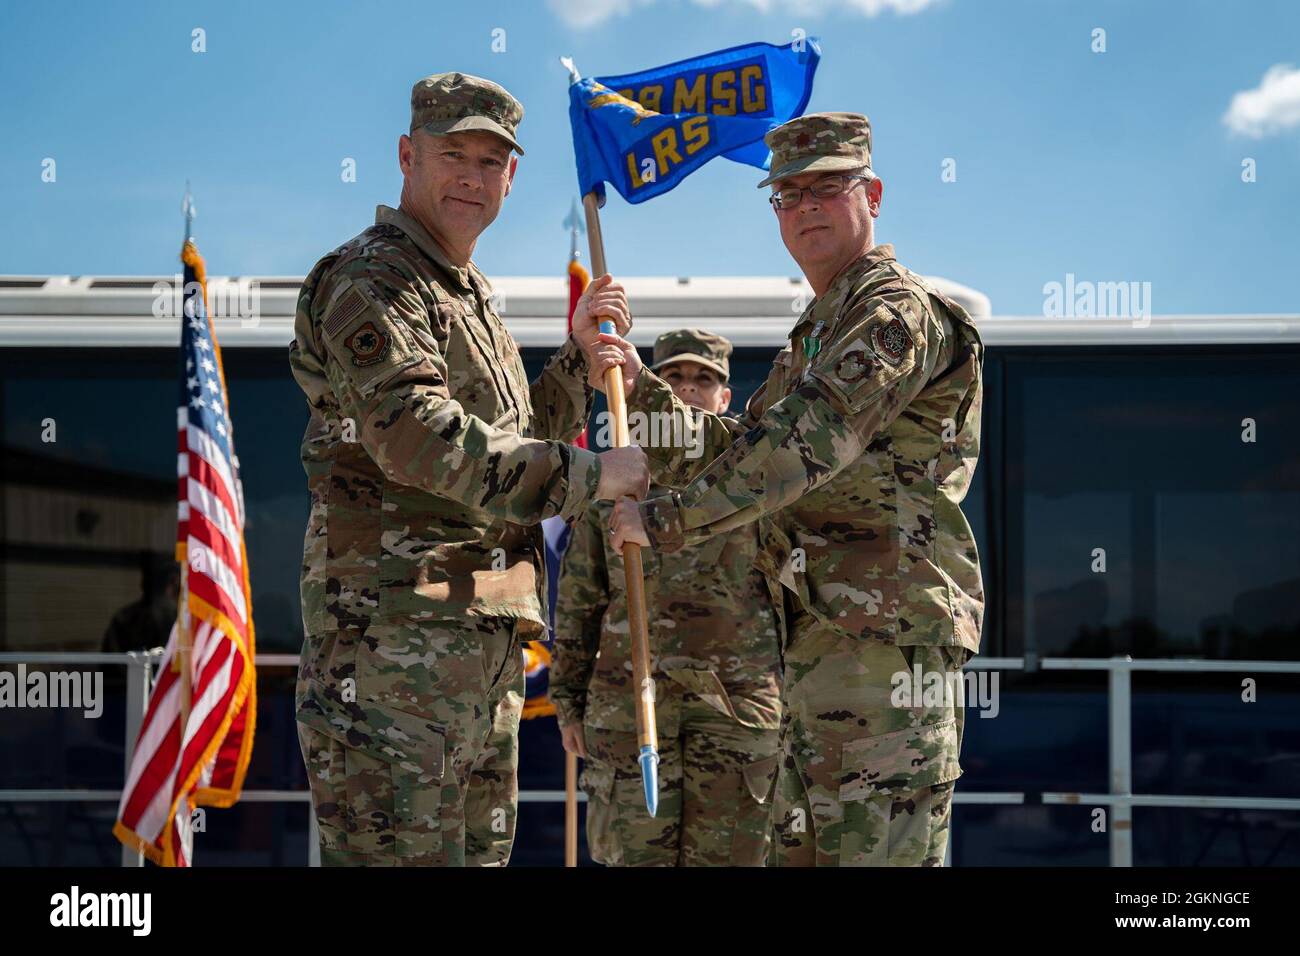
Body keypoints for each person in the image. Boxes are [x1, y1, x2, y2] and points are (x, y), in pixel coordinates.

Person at [584, 112, 985, 867]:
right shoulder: (822, 327)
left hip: (884, 651)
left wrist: (663, 521)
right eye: (787, 194)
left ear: (873, 193)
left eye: (827, 188)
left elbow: (803, 447)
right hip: (813, 643)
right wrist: (644, 393)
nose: (804, 208)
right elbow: (748, 444)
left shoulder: (890, 312)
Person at [288, 71, 647, 866]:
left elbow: (508, 436)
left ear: (512, 178)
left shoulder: (467, 293)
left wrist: (578, 364)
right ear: (408, 156)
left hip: (477, 662)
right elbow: (422, 440)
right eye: (454, 154)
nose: (472, 178)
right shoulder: (372, 280)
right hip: (390, 668)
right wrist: (596, 477)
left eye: (492, 162)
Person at [552, 330, 782, 866]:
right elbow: (579, 600)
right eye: (673, 376)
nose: (687, 389)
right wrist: (568, 702)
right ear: (648, 388)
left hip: (737, 708)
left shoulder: (756, 483)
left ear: (724, 398)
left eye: (704, 379)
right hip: (628, 707)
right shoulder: (615, 479)